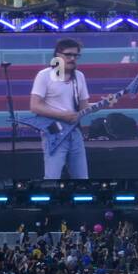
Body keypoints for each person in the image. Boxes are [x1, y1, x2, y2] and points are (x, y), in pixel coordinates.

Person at [29, 38, 92, 180]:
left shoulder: (79, 77)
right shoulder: (44, 75)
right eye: (68, 55)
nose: (72, 58)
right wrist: (62, 116)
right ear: (58, 55)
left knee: (82, 178)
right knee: (52, 176)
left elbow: (84, 107)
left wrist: (105, 103)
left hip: (74, 132)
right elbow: (34, 106)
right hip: (54, 131)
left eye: (76, 55)